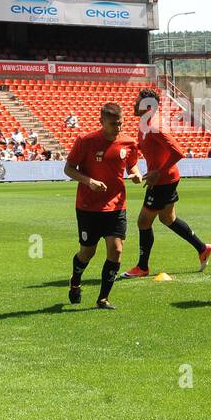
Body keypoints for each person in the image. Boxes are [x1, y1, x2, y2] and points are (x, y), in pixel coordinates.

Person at [122, 89, 211, 279]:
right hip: (167, 179)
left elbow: (178, 152)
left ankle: (142, 267)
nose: (133, 103)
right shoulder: (145, 125)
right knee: (167, 219)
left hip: (163, 181)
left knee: (143, 221)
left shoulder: (155, 126)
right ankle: (202, 248)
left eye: (137, 101)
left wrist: (157, 172)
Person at [63, 103, 142, 309]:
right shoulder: (86, 141)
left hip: (116, 205)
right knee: (87, 253)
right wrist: (89, 181)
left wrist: (136, 173)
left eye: (120, 123)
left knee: (116, 251)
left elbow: (132, 163)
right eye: (113, 124)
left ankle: (103, 298)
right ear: (101, 122)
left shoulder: (129, 142)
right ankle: (75, 281)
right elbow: (68, 169)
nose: (118, 127)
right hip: (88, 207)